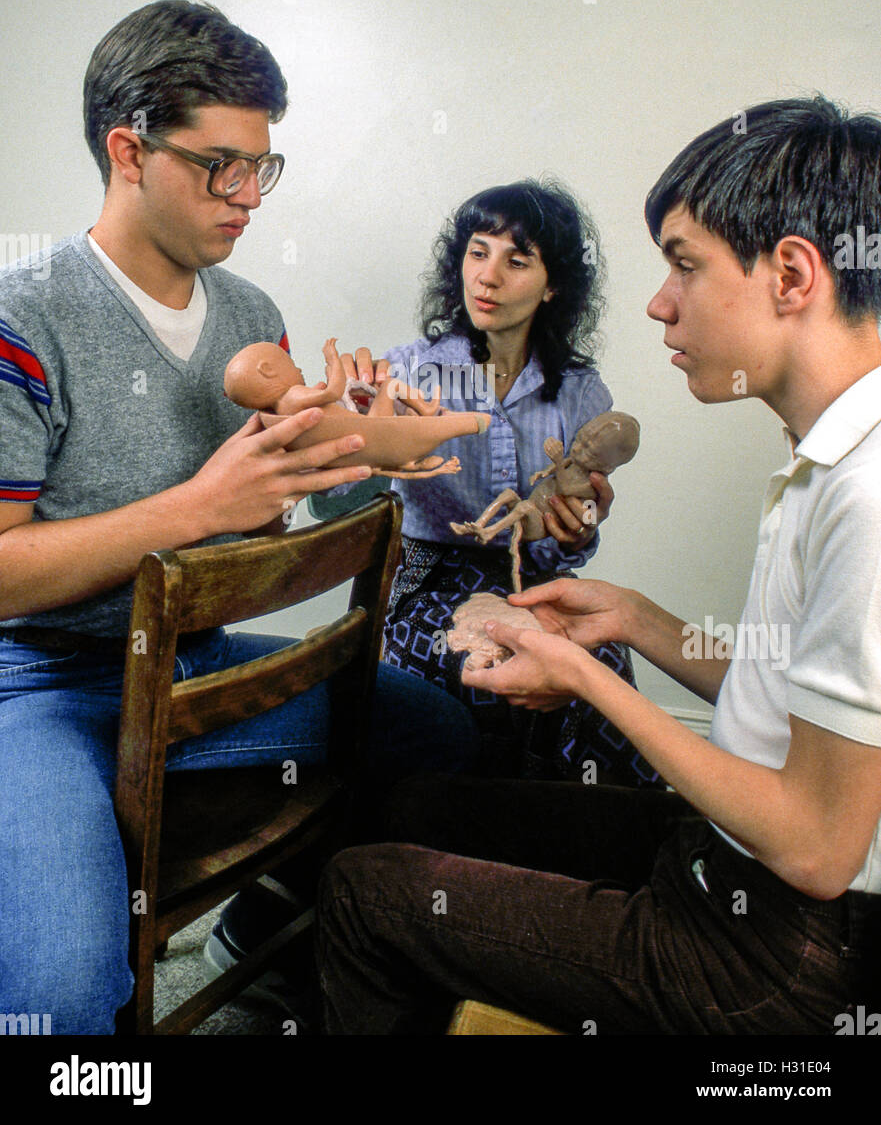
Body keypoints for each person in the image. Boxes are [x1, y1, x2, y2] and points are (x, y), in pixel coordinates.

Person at [317, 97, 881, 1034]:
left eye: (683, 263)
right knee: (418, 798)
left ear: (790, 274)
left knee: (363, 893)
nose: (661, 301)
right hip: (727, 861)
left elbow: (820, 849)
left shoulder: (863, 492)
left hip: (779, 953)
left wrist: (581, 667)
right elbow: (790, 680)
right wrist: (628, 617)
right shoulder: (827, 456)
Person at [0, 0, 477, 1035]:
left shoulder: (251, 316)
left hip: (193, 661)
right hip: (40, 683)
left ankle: (257, 934)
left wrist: (349, 456)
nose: (249, 195)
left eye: (262, 165)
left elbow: (256, 547)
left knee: (439, 733)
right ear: (129, 150)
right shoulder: (24, 316)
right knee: (60, 998)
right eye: (221, 165)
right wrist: (197, 503)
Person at [317, 181, 661, 785]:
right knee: (473, 666)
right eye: (478, 252)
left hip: (533, 580)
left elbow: (567, 542)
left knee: (596, 664)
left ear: (553, 286)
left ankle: (572, 843)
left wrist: (577, 531)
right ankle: (442, 847)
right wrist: (365, 440)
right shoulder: (404, 372)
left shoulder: (582, 393)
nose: (488, 277)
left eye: (516, 260)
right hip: (423, 580)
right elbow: (327, 505)